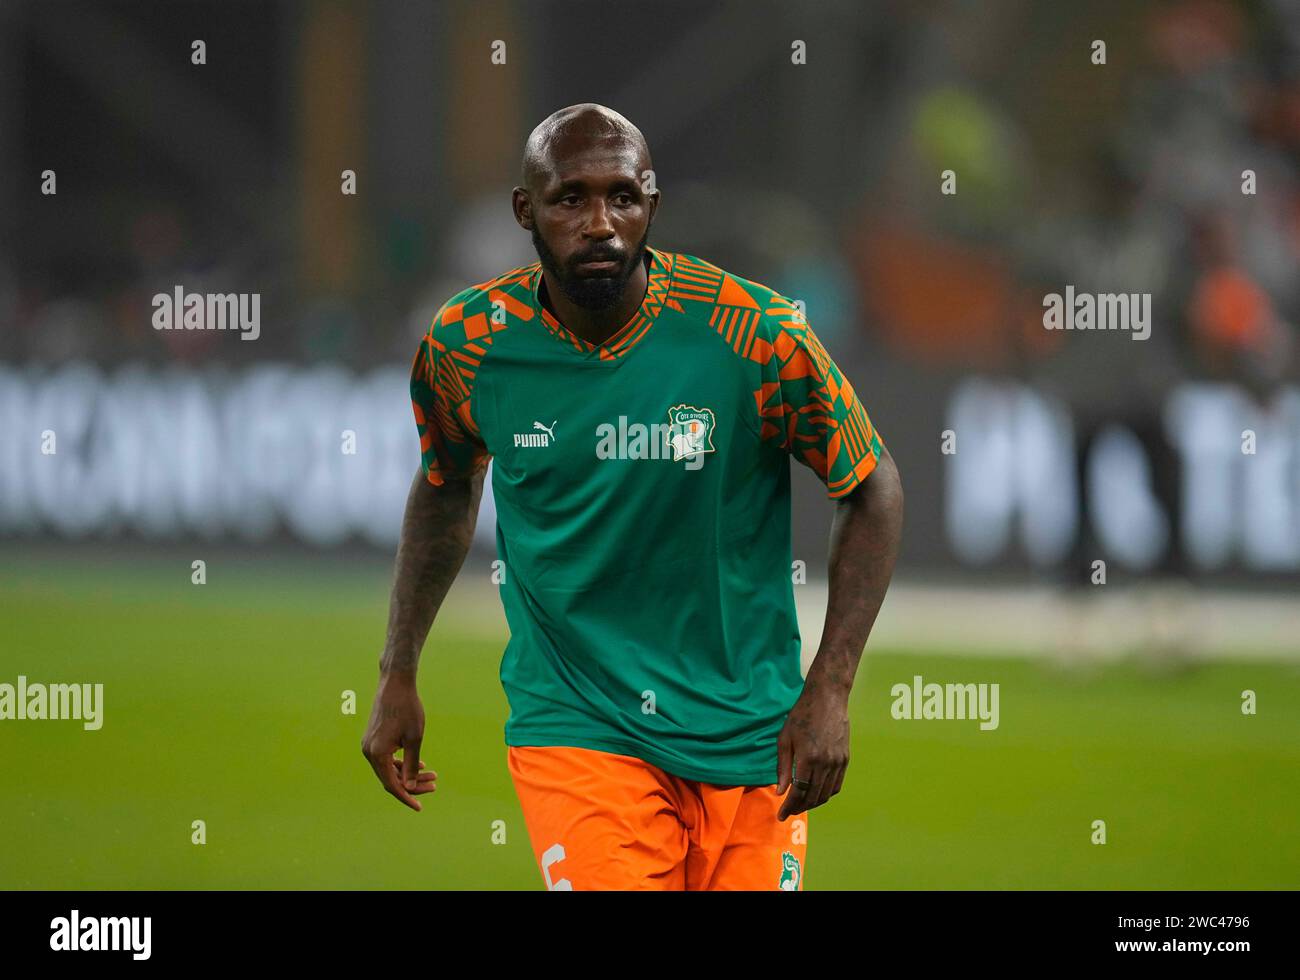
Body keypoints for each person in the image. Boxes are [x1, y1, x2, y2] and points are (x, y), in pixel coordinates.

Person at [361, 103, 903, 890]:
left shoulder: (752, 332)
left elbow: (872, 484)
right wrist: (397, 668)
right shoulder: (468, 343)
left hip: (750, 736)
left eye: (623, 196)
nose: (601, 223)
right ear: (526, 211)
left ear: (653, 204)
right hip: (577, 726)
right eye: (570, 198)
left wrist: (831, 685)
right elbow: (446, 489)